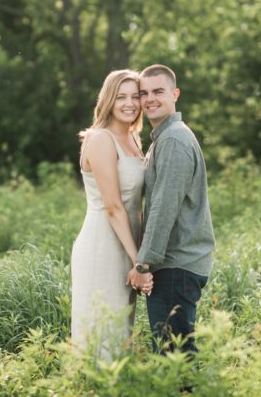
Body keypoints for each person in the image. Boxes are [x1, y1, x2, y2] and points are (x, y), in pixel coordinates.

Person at [128, 64, 215, 354]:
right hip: (174, 264)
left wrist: (143, 264)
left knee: (173, 360)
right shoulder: (164, 138)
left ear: (175, 94)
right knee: (174, 355)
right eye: (144, 93)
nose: (149, 99)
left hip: (176, 265)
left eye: (158, 91)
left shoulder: (174, 140)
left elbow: (164, 208)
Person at [71, 69, 153, 360]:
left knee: (121, 331)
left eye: (135, 96)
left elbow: (137, 205)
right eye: (121, 97)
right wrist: (139, 263)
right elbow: (114, 206)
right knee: (101, 330)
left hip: (129, 244)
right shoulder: (101, 139)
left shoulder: (134, 138)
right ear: (108, 99)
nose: (130, 103)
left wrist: (142, 255)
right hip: (103, 244)